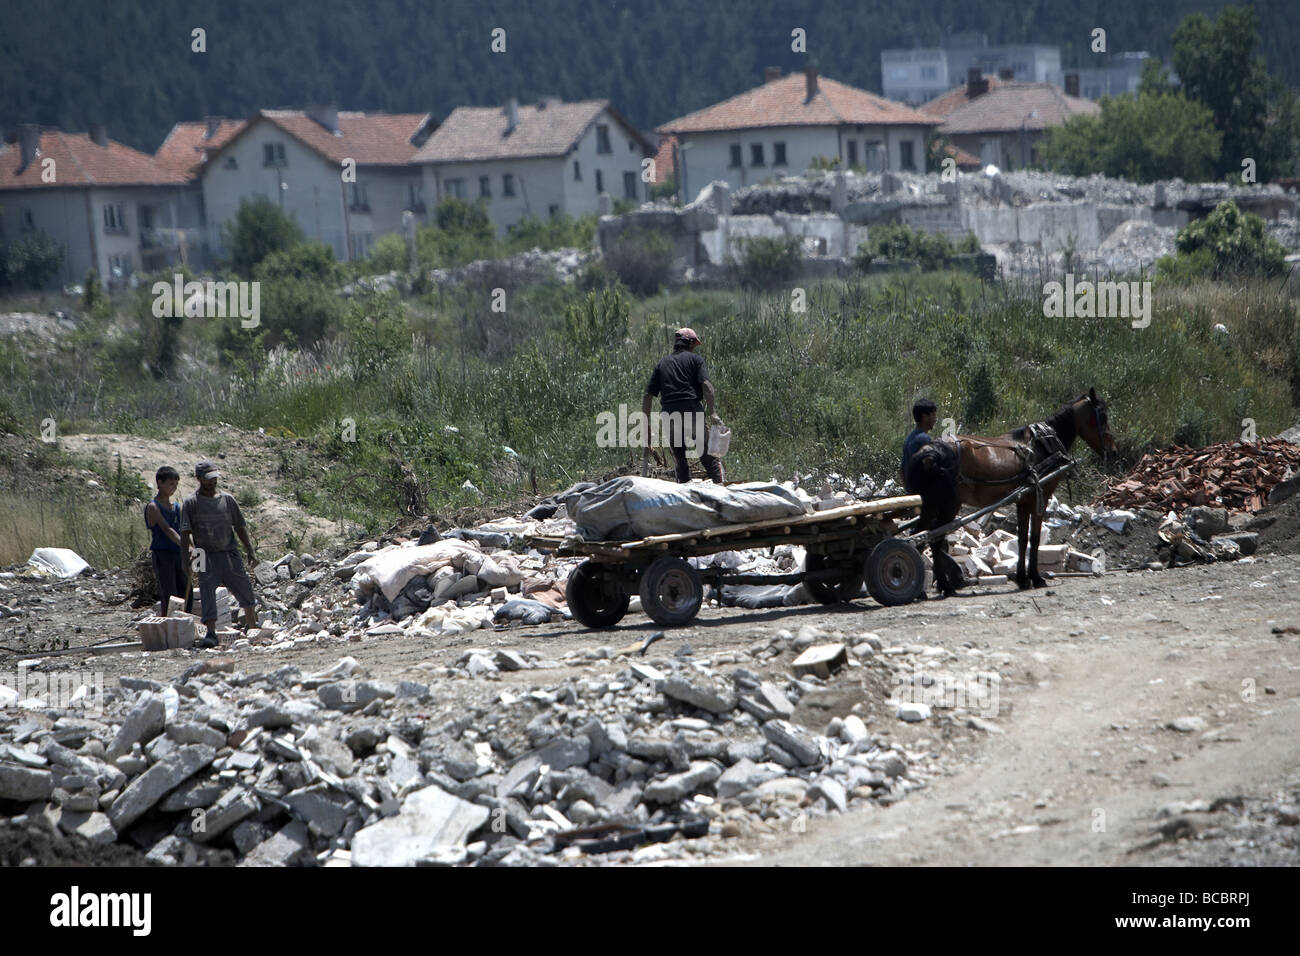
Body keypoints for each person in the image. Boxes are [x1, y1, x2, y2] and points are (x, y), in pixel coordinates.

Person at [179, 460, 259, 648]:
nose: (212, 482)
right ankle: (211, 633)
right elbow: (185, 534)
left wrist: (250, 550)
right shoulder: (191, 503)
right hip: (203, 553)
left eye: (214, 478)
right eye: (208, 479)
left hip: (229, 552)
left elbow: (239, 526)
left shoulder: (227, 500)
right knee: (207, 592)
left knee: (244, 588)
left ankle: (253, 627)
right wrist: (185, 560)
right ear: (198, 479)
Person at [643, 327, 724, 483]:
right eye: (695, 345)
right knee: (707, 455)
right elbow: (706, 385)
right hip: (691, 409)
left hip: (669, 412)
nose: (695, 348)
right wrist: (713, 412)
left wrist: (646, 424)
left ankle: (685, 495)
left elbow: (647, 395)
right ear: (690, 343)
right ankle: (721, 491)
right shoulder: (695, 360)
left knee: (680, 459)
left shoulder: (662, 363)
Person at [144, 466, 187, 617]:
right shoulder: (153, 507)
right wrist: (185, 545)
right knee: (170, 594)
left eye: (175, 485)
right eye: (170, 484)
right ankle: (169, 625)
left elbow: (185, 530)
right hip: (163, 555)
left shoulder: (177, 507)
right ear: (159, 483)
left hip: (179, 555)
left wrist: (193, 546)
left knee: (185, 591)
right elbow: (167, 529)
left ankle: (185, 624)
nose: (173, 488)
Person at [900, 398, 938, 491]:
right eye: (933, 415)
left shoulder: (910, 437)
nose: (935, 419)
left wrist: (909, 491)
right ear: (924, 417)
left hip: (912, 493)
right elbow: (929, 469)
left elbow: (901, 471)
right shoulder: (924, 439)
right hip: (923, 495)